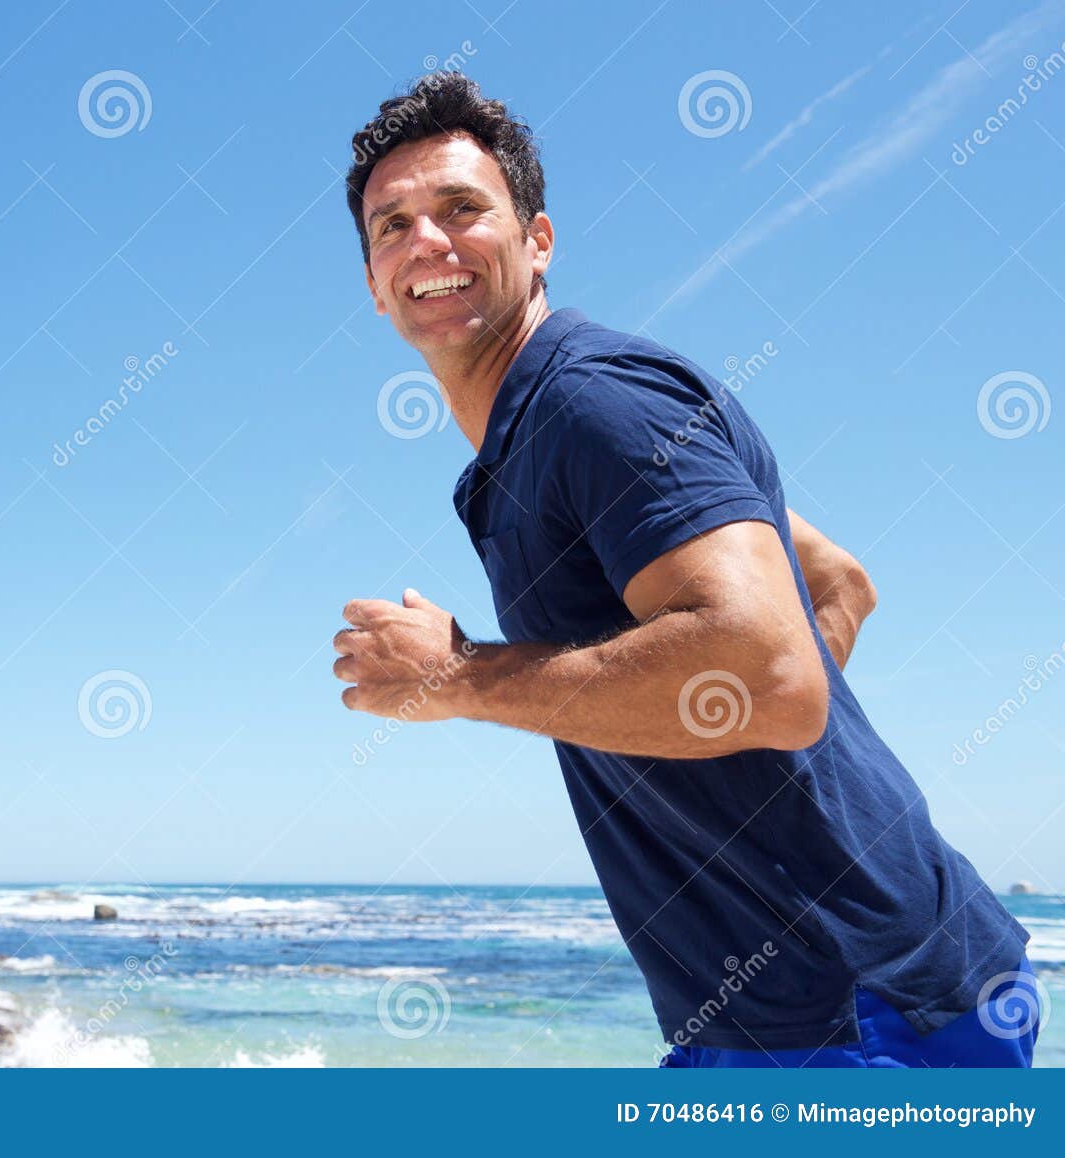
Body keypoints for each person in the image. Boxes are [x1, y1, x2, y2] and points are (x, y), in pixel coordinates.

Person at [331, 73, 1039, 1066]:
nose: (426, 243)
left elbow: (768, 678)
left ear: (537, 240)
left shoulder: (597, 408)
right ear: (371, 281)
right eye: (390, 225)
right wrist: (747, 775)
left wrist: (458, 678)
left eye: (461, 209)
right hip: (800, 1006)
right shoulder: (522, 444)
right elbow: (836, 581)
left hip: (863, 1009)